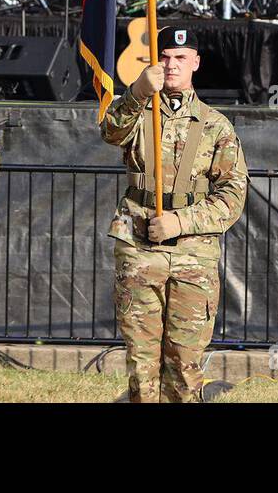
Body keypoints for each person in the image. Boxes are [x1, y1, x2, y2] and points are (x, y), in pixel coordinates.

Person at [101, 27, 248, 402]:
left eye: (181, 58)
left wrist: (181, 222)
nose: (171, 65)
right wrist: (135, 92)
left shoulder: (216, 125)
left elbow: (232, 195)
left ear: (196, 63)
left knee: (185, 363)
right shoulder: (139, 110)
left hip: (192, 255)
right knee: (142, 363)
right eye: (164, 57)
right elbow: (110, 132)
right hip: (139, 246)